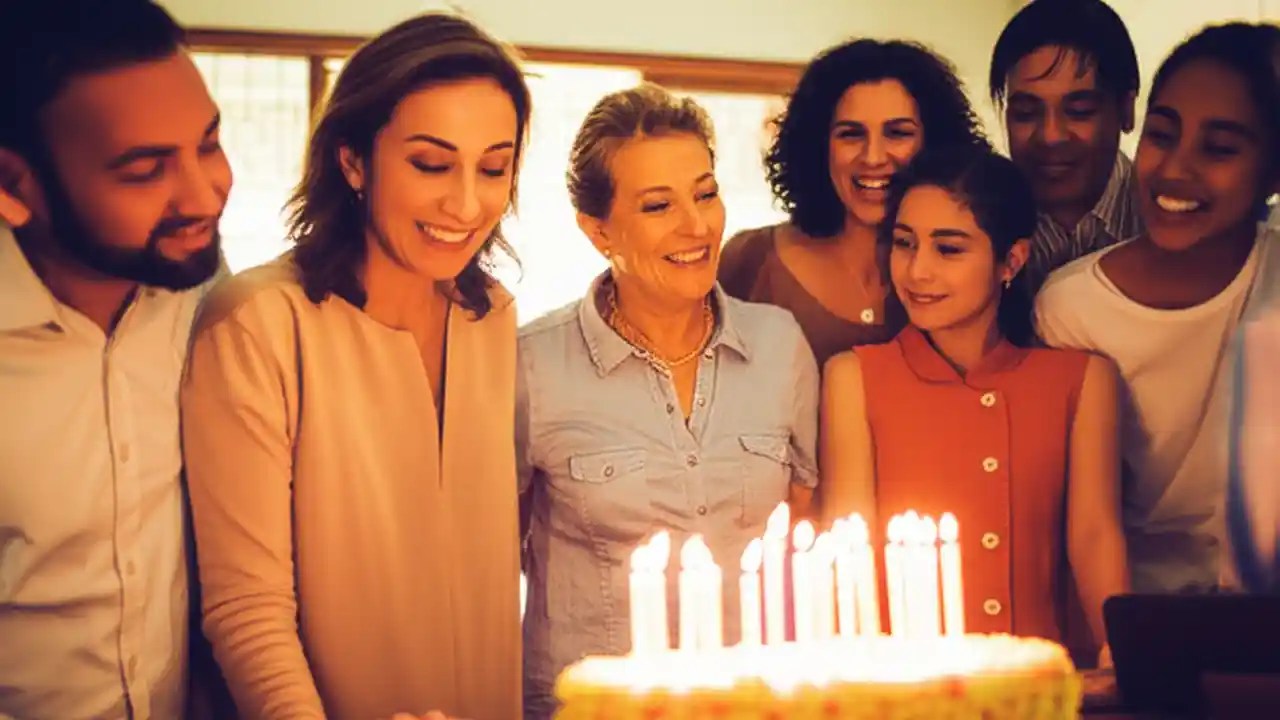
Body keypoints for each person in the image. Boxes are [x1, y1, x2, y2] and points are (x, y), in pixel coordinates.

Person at [180, 13, 529, 719]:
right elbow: (247, 609)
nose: (466, 203)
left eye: (494, 167)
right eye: (431, 164)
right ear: (353, 161)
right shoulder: (259, 322)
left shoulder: (490, 315)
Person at [518, 84, 819, 718]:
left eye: (706, 194)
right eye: (658, 205)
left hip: (753, 703)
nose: (696, 225)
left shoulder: (779, 345)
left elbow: (808, 533)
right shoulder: (530, 365)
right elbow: (483, 563)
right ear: (598, 230)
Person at [0, 1, 231, 717]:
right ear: (13, 187)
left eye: (210, 143)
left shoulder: (205, 300)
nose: (203, 195)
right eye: (143, 170)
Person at [822, 148, 1128, 666]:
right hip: (908, 690)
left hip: (1041, 687)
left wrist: (1122, 661)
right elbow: (848, 549)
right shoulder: (855, 377)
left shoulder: (1081, 381)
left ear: (1012, 260)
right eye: (904, 243)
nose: (917, 270)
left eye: (949, 249)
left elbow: (1094, 537)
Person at [1037, 22, 1280, 594]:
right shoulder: (1072, 308)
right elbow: (1077, 522)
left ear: (1272, 171)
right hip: (1136, 619)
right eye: (1161, 135)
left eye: (1218, 148)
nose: (1175, 169)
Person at [718, 39, 989, 368]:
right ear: (819, 145)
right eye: (851, 134)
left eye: (898, 133)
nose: (873, 157)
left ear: (935, 143)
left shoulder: (972, 269)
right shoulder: (750, 260)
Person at [989, 0, 1143, 295]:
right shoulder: (986, 222)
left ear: (1126, 109)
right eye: (1025, 113)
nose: (1050, 136)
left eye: (1079, 111)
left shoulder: (1167, 220)